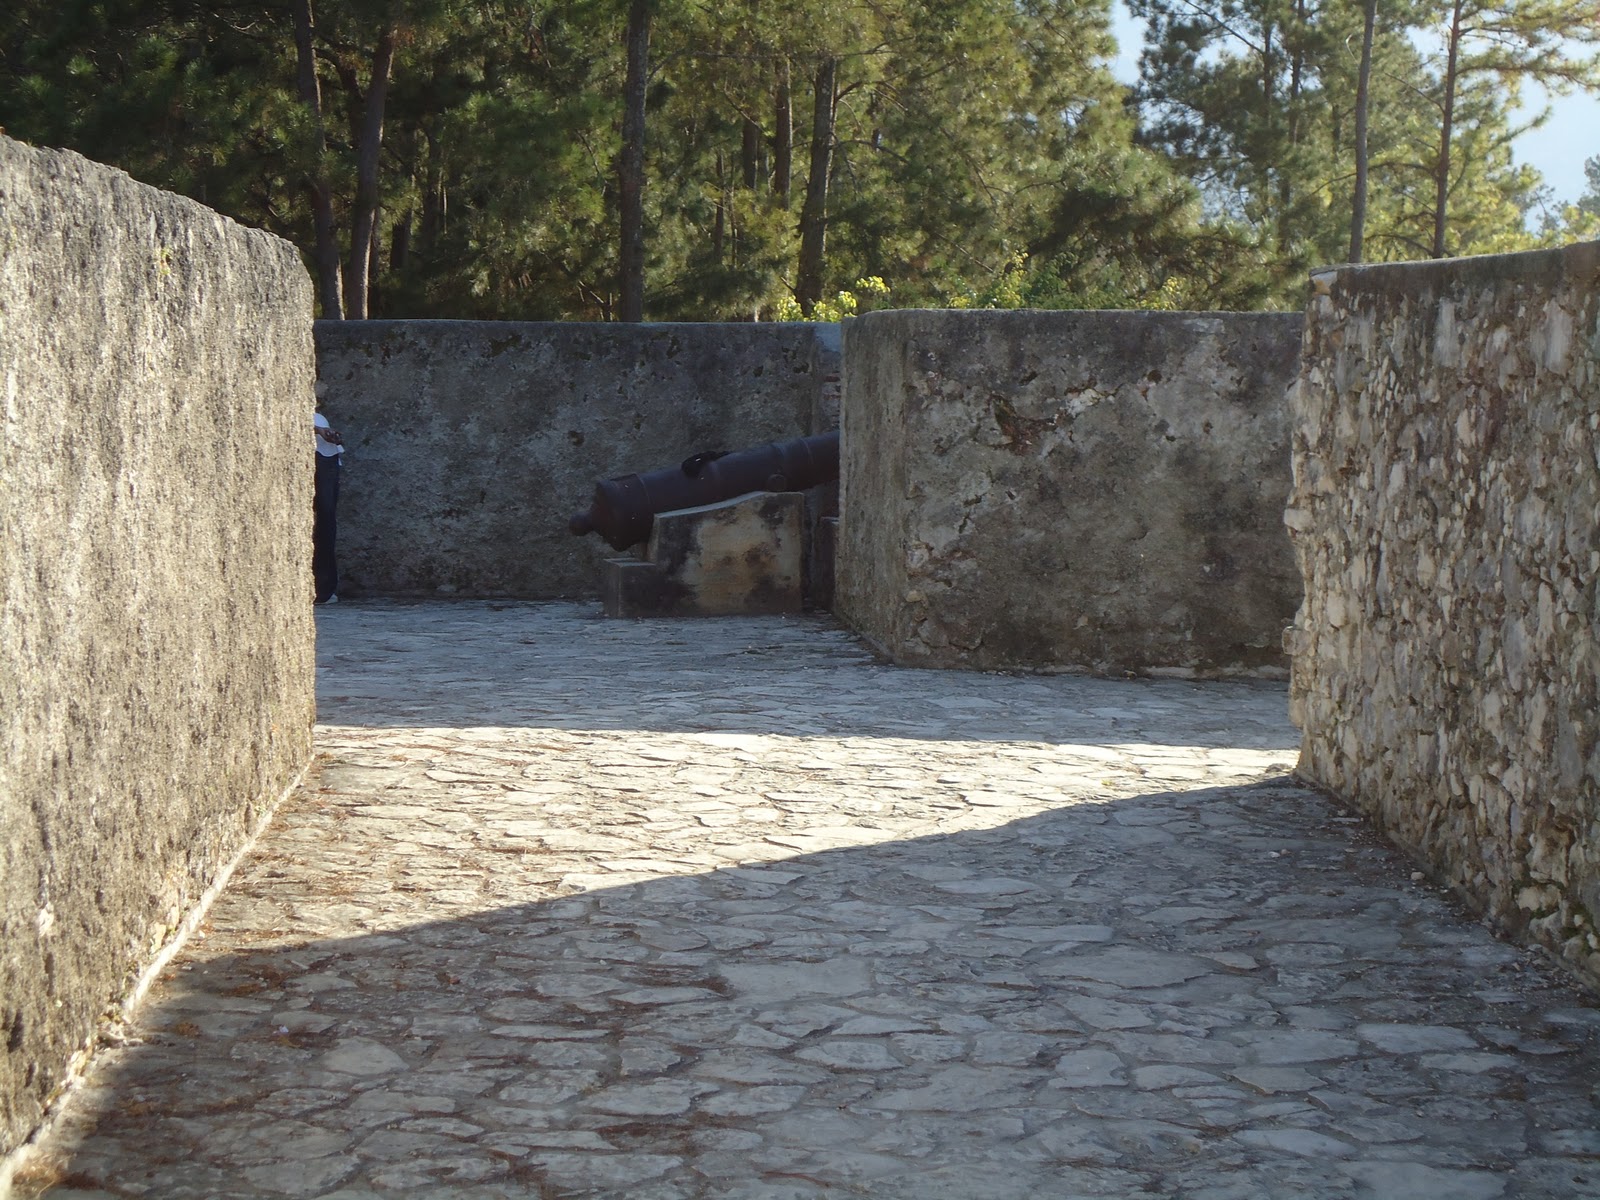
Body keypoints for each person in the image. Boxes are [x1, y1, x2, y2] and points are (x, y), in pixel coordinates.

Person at [313, 408, 344, 604]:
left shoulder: (318, 418)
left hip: (325, 461)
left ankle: (323, 588)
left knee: (325, 523)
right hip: (324, 460)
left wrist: (320, 430)